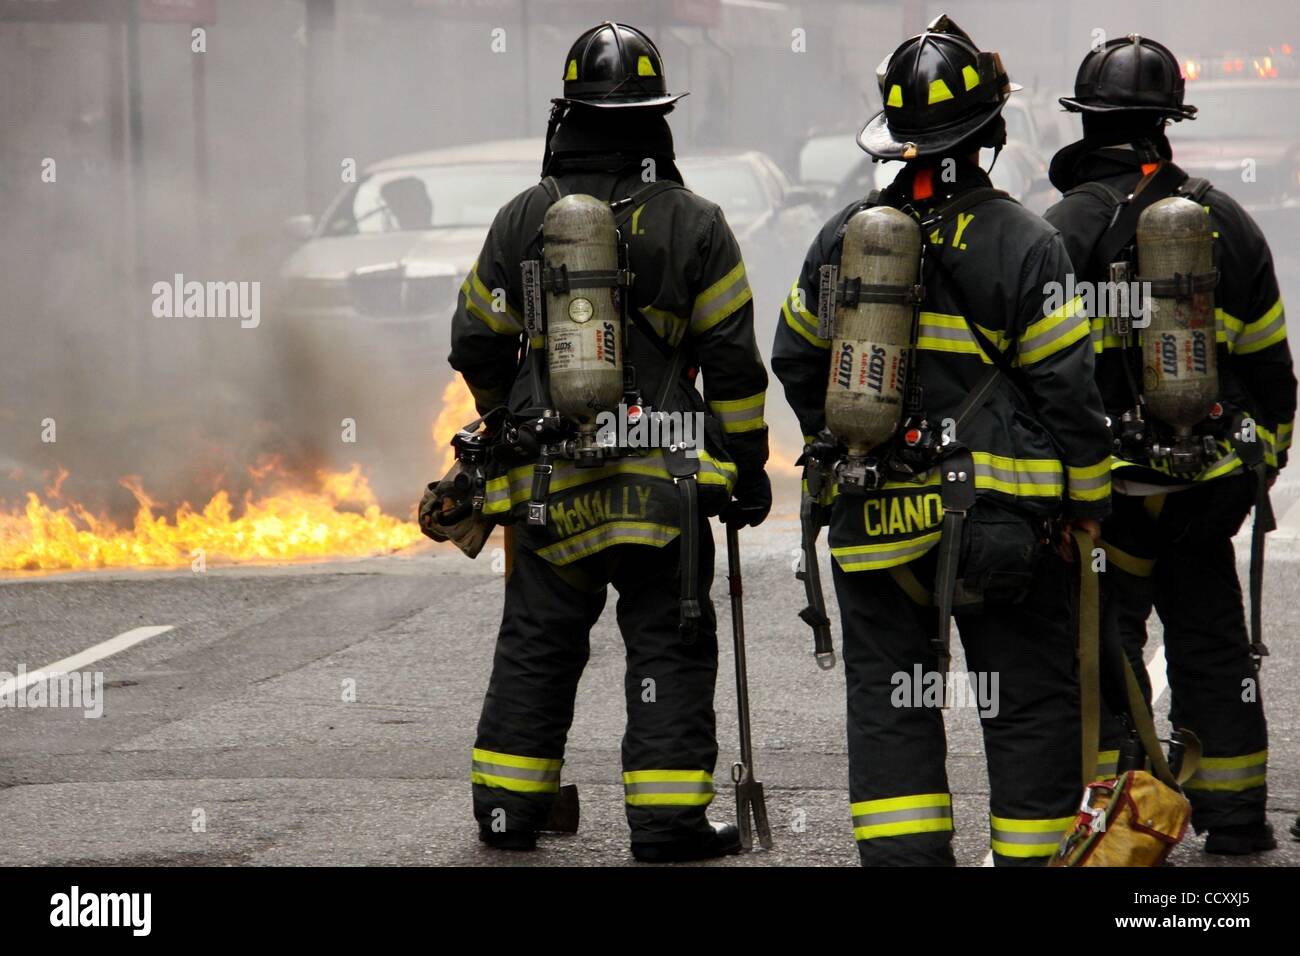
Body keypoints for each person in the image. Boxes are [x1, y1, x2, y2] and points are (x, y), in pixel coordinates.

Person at [772, 15, 1113, 866]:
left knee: (893, 705)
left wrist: (841, 445)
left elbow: (793, 358)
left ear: (894, 145)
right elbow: (1070, 394)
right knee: (1028, 705)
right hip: (1004, 532)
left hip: (874, 522)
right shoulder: (1030, 244)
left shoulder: (843, 239)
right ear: (992, 132)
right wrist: (1090, 503)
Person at [447, 21, 771, 862]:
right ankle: (667, 826)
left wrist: (509, 421)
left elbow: (476, 337)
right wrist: (746, 469)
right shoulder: (695, 223)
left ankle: (509, 813)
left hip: (549, 485)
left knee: (539, 642)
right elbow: (733, 366)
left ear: (570, 117)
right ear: (656, 121)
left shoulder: (524, 218)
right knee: (669, 642)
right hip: (663, 488)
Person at [1045, 35, 1296, 855]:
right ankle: (1238, 817)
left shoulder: (1054, 232)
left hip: (1104, 500)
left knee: (1108, 652)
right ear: (1167, 123)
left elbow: (1035, 378)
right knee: (1214, 643)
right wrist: (1248, 482)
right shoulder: (1226, 222)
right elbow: (1272, 377)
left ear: (1086, 124)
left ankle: (1126, 820)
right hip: (1203, 490)